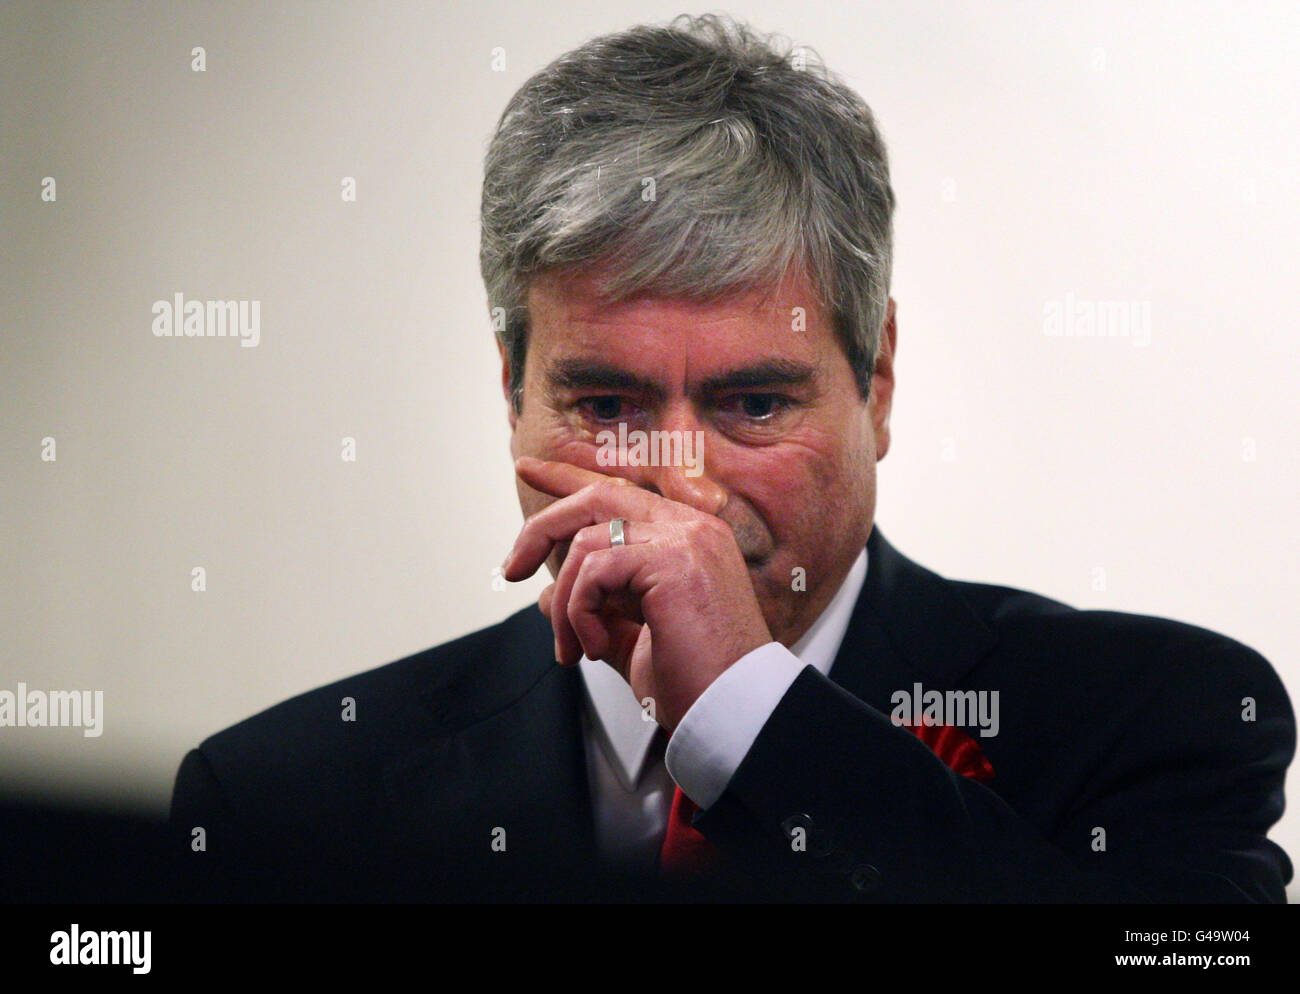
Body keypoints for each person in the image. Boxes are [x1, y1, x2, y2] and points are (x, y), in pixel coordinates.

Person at [170, 14, 1294, 903]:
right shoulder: (284, 801)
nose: (682, 486)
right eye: (604, 403)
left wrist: (752, 717)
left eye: (754, 402)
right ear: (510, 392)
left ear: (879, 380)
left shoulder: (1153, 723)